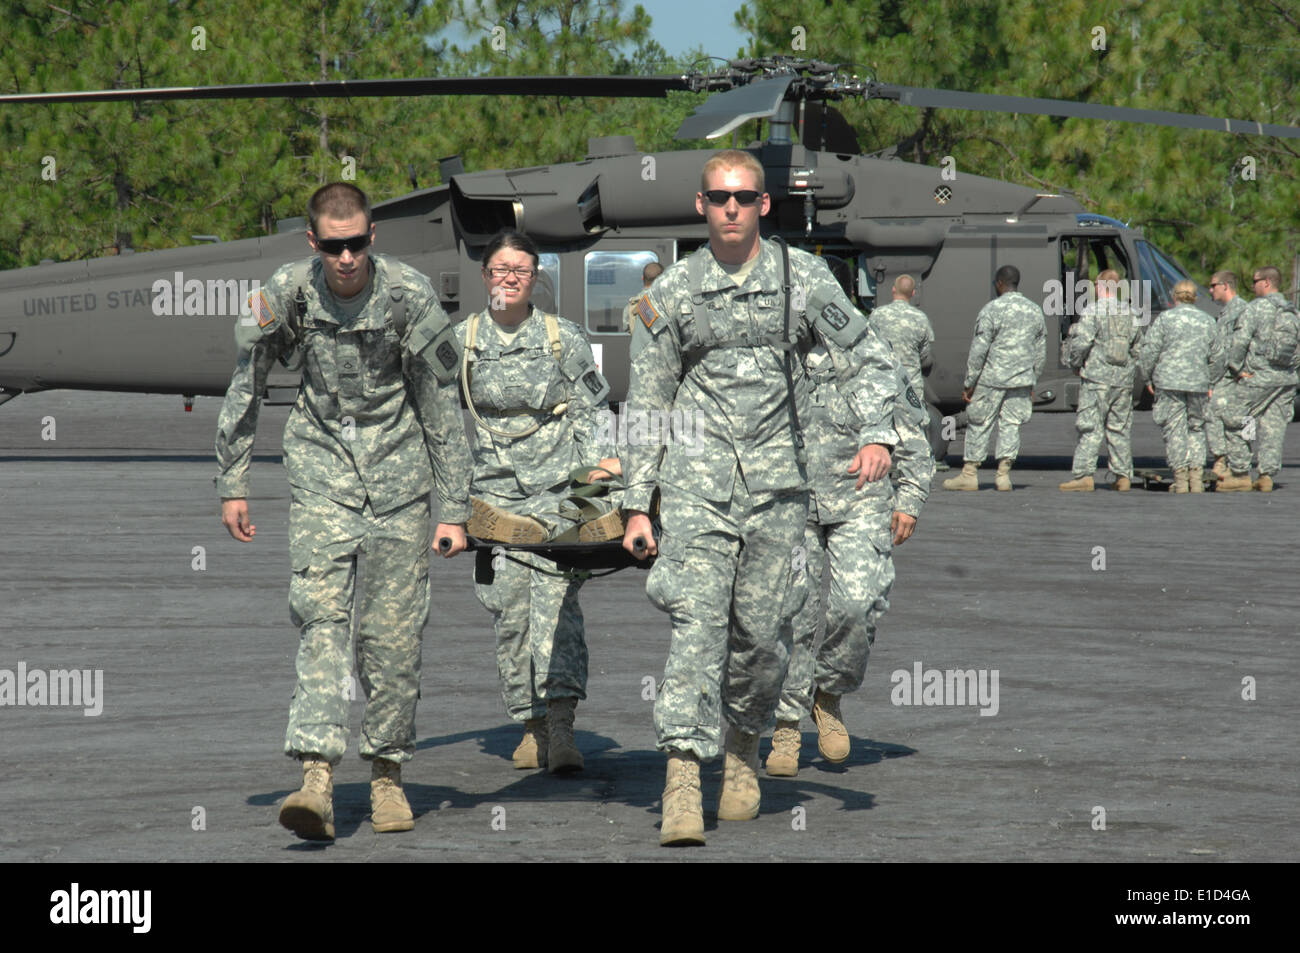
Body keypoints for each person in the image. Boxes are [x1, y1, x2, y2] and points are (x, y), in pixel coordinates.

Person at [620, 149, 903, 846]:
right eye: (719, 198)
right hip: (698, 483)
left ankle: (742, 749)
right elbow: (649, 402)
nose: (731, 209)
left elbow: (866, 354)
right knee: (698, 624)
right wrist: (635, 500)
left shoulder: (802, 279)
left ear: (764, 206)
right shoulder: (674, 293)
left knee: (762, 637)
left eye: (744, 198)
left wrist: (878, 433)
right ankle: (683, 772)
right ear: (700, 205)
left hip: (781, 488)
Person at [215, 182, 472, 841]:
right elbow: (249, 380)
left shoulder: (408, 295)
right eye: (334, 246)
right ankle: (318, 776)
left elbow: (441, 406)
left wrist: (455, 508)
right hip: (323, 473)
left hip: (399, 479)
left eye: (357, 242)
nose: (347, 256)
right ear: (314, 243)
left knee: (392, 639)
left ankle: (386, 772)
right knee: (321, 623)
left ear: (371, 238)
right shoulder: (290, 292)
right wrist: (232, 480)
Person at [459, 228, 618, 773]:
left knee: (559, 612)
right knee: (510, 613)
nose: (509, 279)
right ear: (485, 276)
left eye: (520, 271)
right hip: (493, 505)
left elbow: (593, 417)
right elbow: (437, 425)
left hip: (557, 500)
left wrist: (592, 504)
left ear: (534, 280)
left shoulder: (562, 338)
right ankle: (528, 723)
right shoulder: (462, 341)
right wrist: (453, 511)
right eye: (500, 269)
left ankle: (561, 725)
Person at [764, 361, 933, 777]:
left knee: (857, 606)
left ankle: (829, 694)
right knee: (793, 614)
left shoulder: (875, 358)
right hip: (792, 501)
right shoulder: (779, 355)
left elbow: (912, 430)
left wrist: (910, 496)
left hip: (861, 501)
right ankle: (787, 723)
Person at [943, 265, 1046, 491]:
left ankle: (969, 475)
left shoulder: (991, 310)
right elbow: (1040, 352)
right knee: (1011, 426)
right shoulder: (1034, 311)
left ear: (1000, 283)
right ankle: (1003, 475)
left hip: (991, 380)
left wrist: (970, 383)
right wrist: (1032, 380)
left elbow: (979, 350)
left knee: (979, 423)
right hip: (1021, 380)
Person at [1058, 270, 1143, 491]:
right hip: (1122, 382)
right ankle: (1122, 476)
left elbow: (1081, 343)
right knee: (1119, 428)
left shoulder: (1093, 310)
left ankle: (1084, 476)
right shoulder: (1131, 312)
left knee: (1090, 427)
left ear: (1101, 285)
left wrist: (1076, 365)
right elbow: (1138, 347)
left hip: (1097, 380)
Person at [1137, 279, 1224, 492]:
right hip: (1198, 383)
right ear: (1195, 297)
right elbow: (1219, 356)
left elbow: (1149, 352)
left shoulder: (1165, 320)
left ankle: (1181, 479)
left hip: (1169, 383)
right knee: (1196, 428)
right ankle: (1196, 479)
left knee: (1175, 429)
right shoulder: (1207, 321)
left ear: (1174, 297)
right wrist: (1211, 380)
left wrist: (1147, 378)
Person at [1218, 266, 1299, 492]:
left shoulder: (1255, 309)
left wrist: (1236, 368)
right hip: (1286, 380)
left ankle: (1240, 472)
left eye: (1254, 282)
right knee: (1273, 427)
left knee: (1236, 418)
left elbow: (1240, 342)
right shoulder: (1292, 311)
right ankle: (1266, 475)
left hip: (1258, 377)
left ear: (1266, 282)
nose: (1252, 287)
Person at [1205, 271, 1248, 480]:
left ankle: (1235, 464)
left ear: (1225, 286)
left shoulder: (1241, 310)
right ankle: (1224, 460)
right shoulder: (1226, 312)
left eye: (1213, 286)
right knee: (1218, 415)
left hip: (1235, 376)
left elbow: (1239, 345)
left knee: (1241, 420)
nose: (1210, 290)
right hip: (1226, 375)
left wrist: (1239, 369)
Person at [869, 274, 935, 395]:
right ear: (913, 293)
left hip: (884, 384)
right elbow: (925, 357)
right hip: (911, 387)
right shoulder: (921, 318)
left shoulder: (877, 315)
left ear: (893, 289)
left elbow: (869, 347)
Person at [624, 260, 664, 332]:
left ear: (643, 278)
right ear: (662, 279)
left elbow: (627, 329)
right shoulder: (666, 302)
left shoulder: (631, 305)